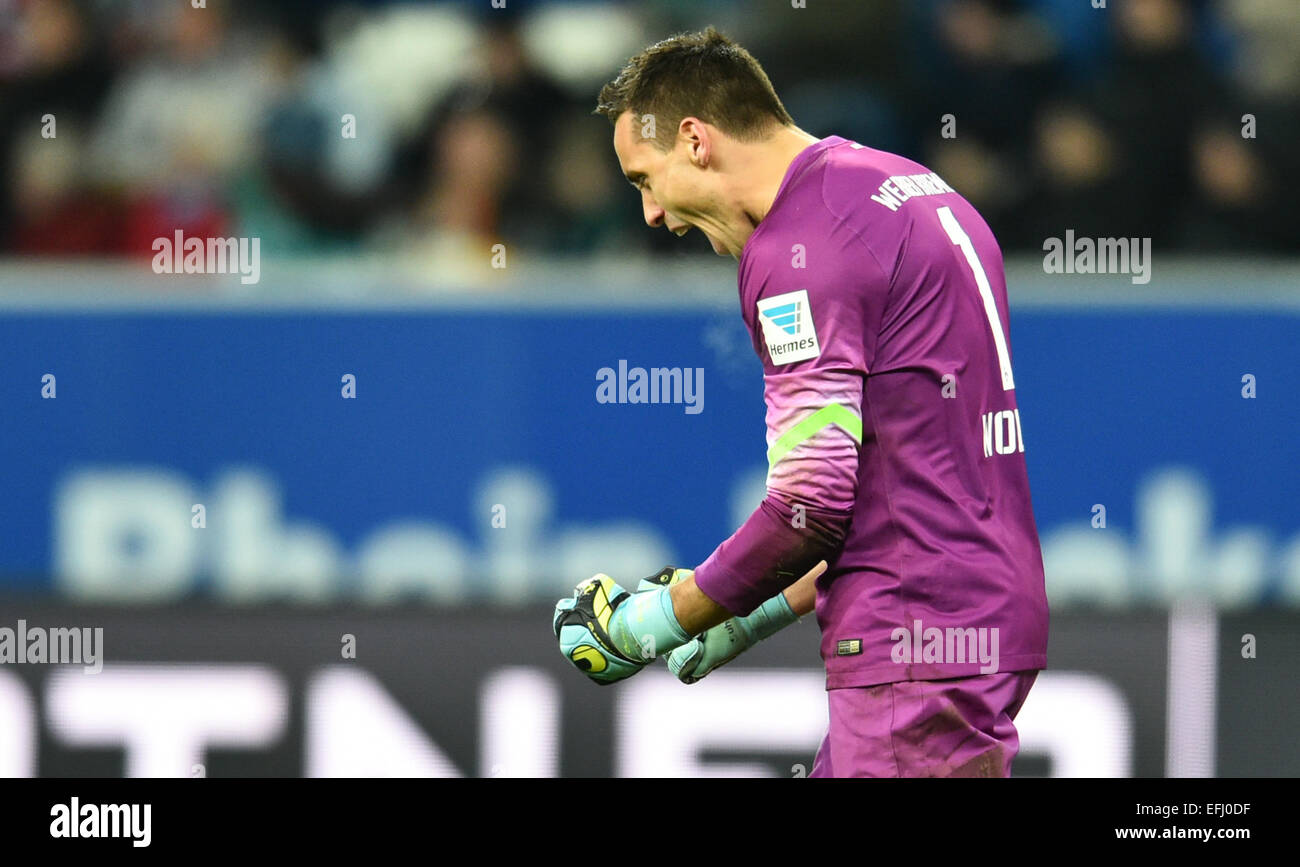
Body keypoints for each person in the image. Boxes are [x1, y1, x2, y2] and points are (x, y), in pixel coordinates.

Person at [553, 27, 1049, 778]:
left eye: (643, 179)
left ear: (694, 140)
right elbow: (896, 491)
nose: (652, 215)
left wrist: (650, 624)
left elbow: (810, 504)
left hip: (912, 640)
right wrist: (740, 615)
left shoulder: (799, 250)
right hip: (970, 614)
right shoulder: (903, 185)